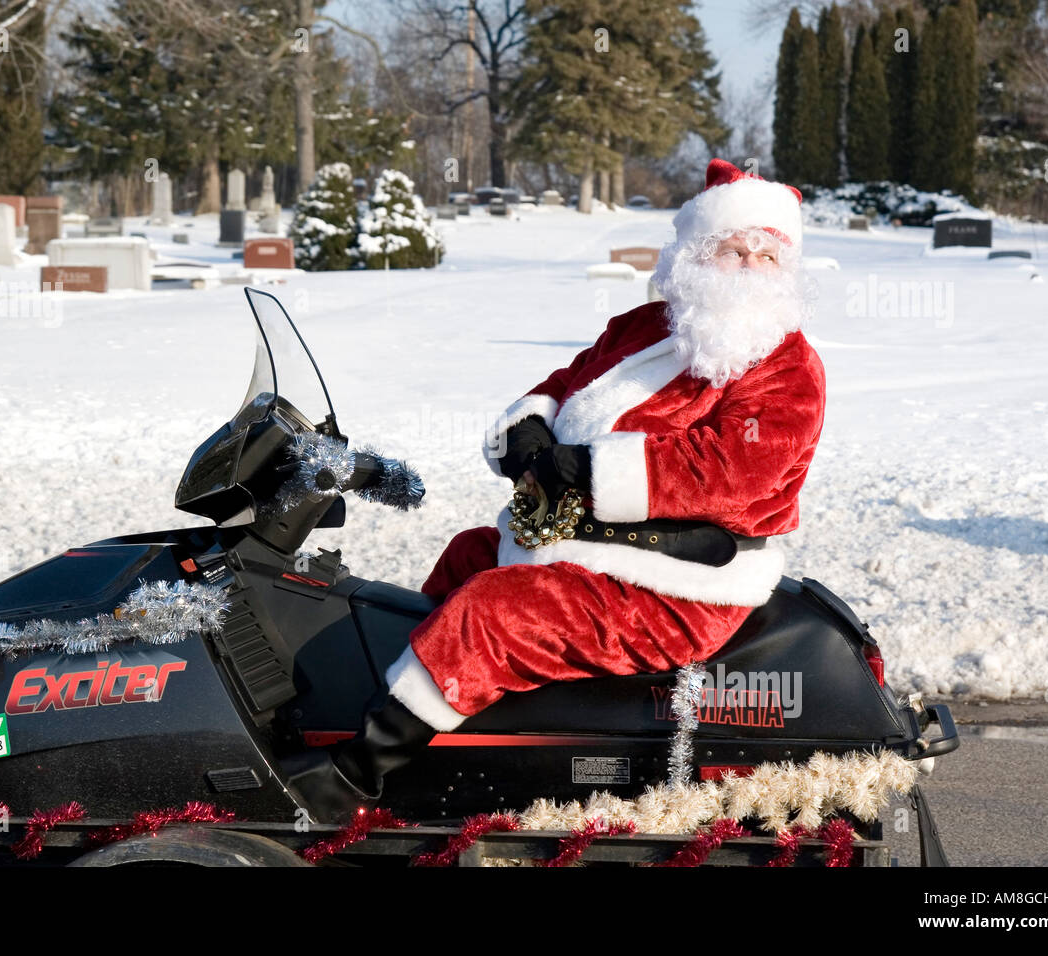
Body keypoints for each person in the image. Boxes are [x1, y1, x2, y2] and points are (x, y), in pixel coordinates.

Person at [282, 158, 826, 822]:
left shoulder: (788, 366)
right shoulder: (646, 326)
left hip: (679, 581)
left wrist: (591, 470)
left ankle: (357, 773)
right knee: (467, 556)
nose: (743, 267)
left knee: (496, 608)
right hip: (588, 545)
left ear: (784, 270)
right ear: (693, 253)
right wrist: (530, 427)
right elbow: (568, 381)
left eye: (761, 256)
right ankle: (447, 727)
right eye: (729, 248)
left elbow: (736, 475)